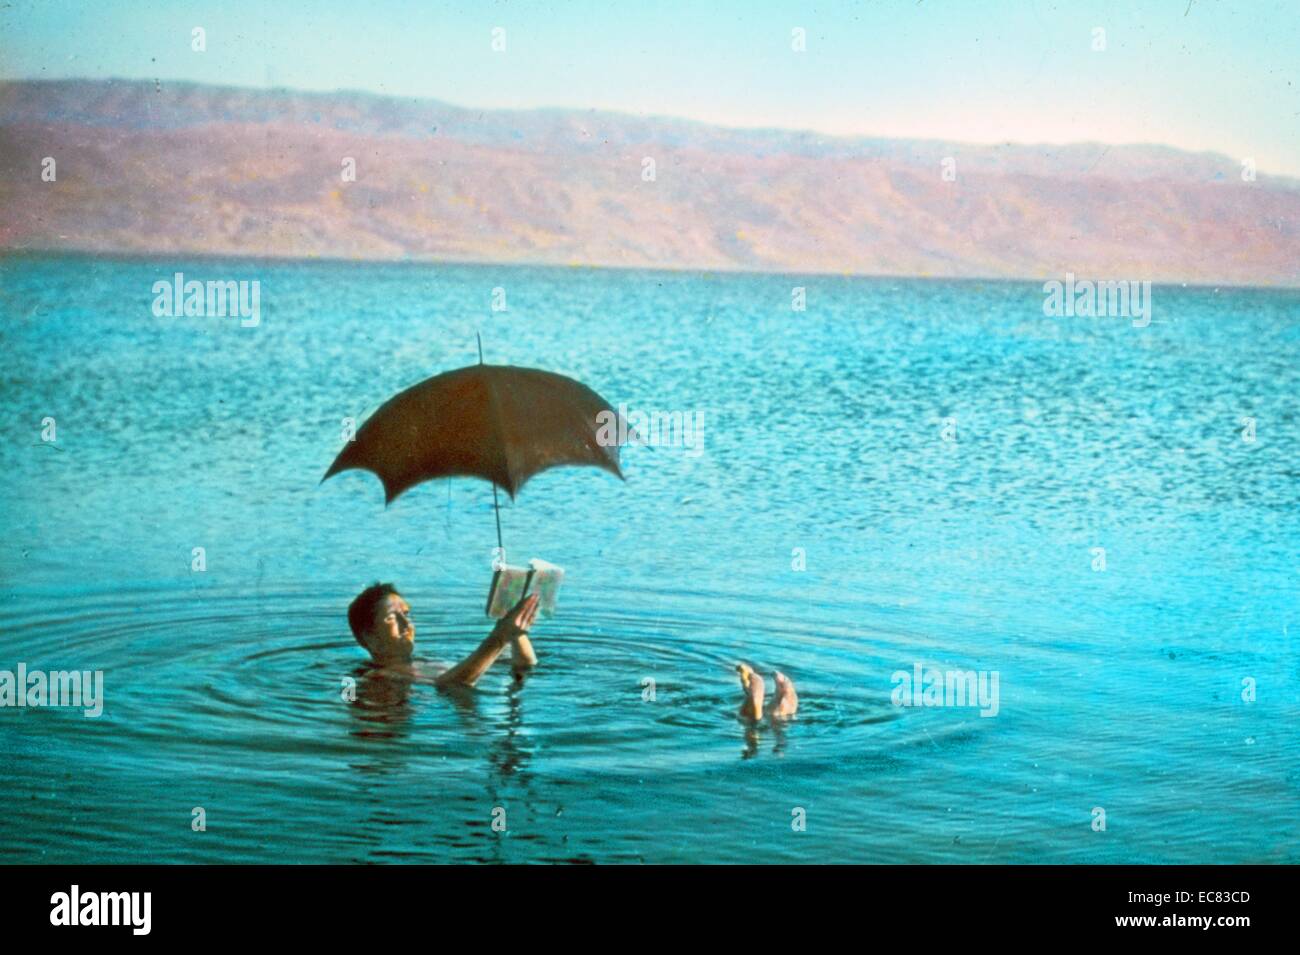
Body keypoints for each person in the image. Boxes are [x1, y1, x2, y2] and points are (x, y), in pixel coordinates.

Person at [347, 582, 540, 686]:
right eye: (391, 618)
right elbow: (453, 683)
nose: (407, 624)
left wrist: (516, 629)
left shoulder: (424, 662)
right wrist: (499, 636)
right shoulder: (379, 677)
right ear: (369, 637)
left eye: (406, 614)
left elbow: (525, 666)